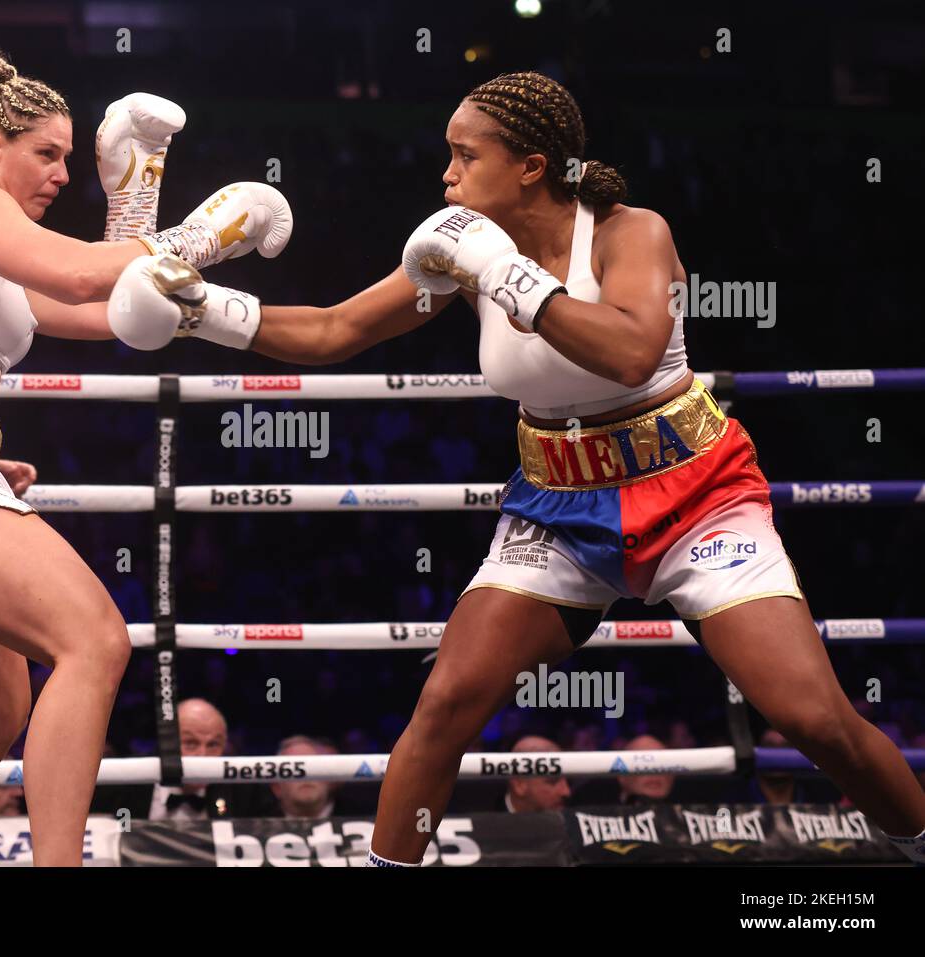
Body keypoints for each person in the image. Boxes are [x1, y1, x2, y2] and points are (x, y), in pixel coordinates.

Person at [107, 70, 925, 867]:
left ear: (530, 166)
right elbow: (334, 331)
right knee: (445, 706)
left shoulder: (627, 231)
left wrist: (511, 276)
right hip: (556, 503)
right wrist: (202, 312)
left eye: (465, 156)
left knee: (814, 718)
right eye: (448, 154)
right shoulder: (460, 251)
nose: (446, 173)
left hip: (694, 493)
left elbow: (634, 352)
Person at [0, 51, 290, 866]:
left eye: (71, 159)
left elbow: (112, 309)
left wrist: (136, 193)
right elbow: (85, 273)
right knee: (97, 641)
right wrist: (211, 232)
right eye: (47, 153)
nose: (57, 174)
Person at [89, 698, 280, 820]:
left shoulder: (247, 790)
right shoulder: (125, 783)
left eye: (213, 745)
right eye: (190, 743)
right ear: (166, 743)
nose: (202, 756)